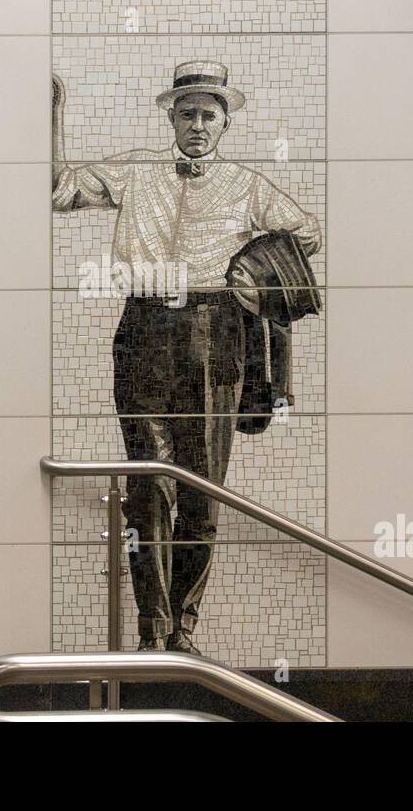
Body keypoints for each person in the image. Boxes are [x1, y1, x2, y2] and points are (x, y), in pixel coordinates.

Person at [52, 60, 320, 654]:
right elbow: (56, 188)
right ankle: (152, 632)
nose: (197, 124)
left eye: (208, 114)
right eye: (187, 112)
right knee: (150, 488)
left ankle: (184, 633)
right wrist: (52, 113)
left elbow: (307, 233)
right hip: (143, 328)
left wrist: (254, 274)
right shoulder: (136, 171)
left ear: (224, 124)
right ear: (171, 117)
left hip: (215, 335)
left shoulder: (248, 185)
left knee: (202, 491)